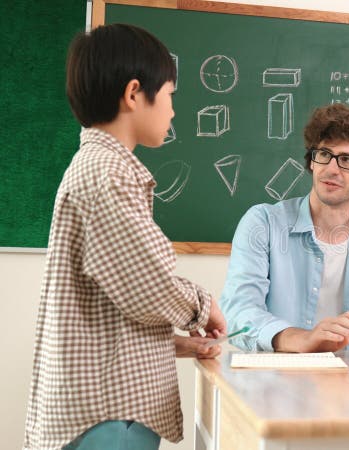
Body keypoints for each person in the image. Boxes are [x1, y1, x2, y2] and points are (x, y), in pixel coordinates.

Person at [24, 24, 227, 450]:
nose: (172, 111)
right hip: (109, 417)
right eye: (170, 94)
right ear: (134, 93)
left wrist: (176, 344)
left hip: (108, 407)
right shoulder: (108, 175)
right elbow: (148, 288)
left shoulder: (100, 168)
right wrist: (203, 306)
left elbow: (114, 306)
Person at [220, 103, 349, 353]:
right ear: (313, 161)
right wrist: (301, 339)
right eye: (324, 154)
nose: (331, 169)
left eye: (347, 160)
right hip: (276, 383)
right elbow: (239, 314)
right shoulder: (263, 223)